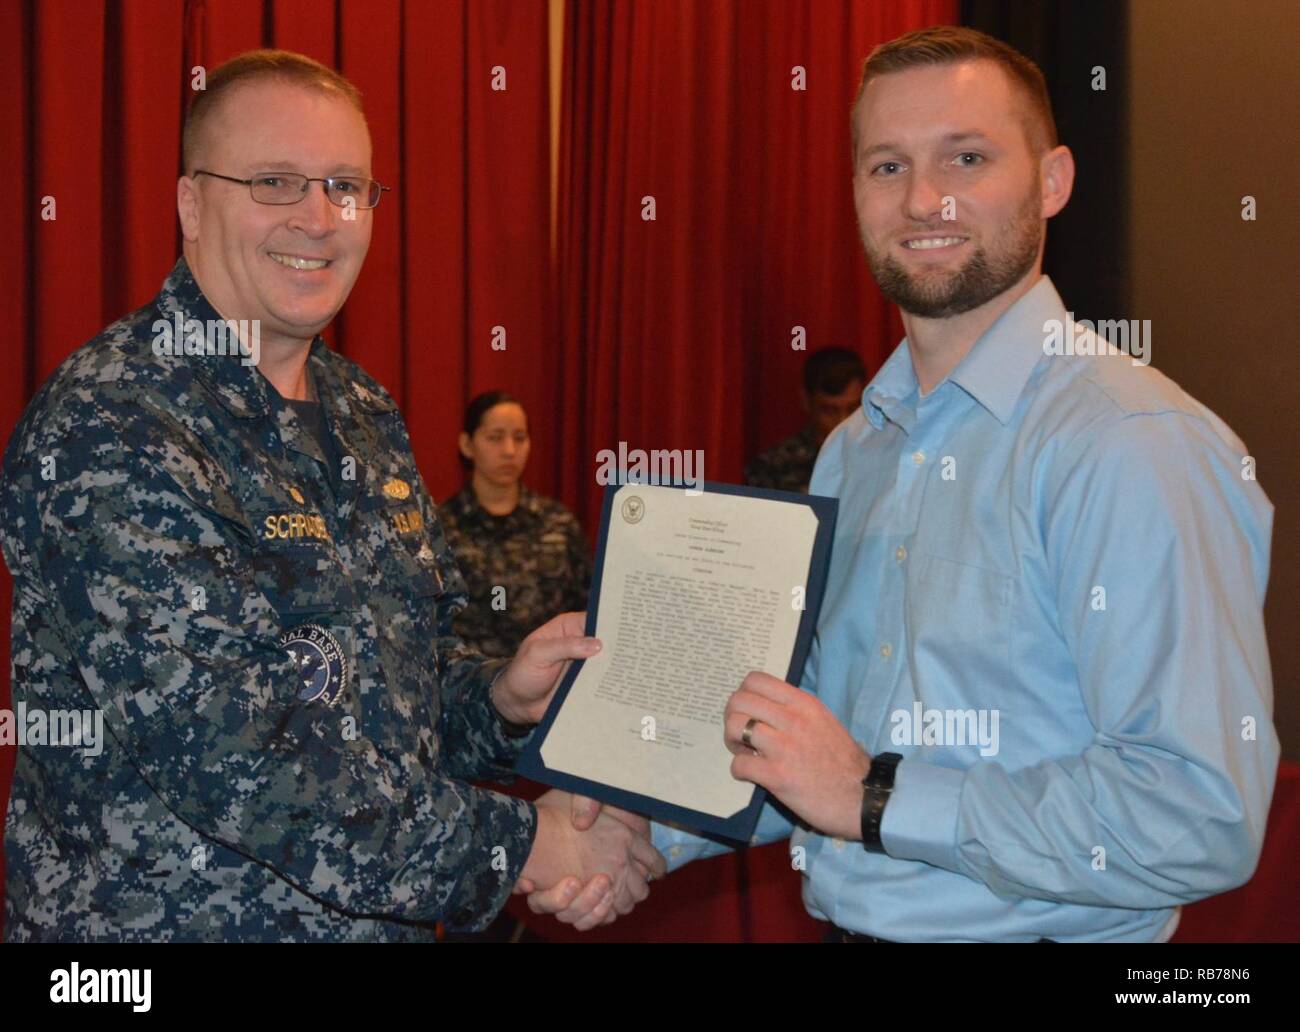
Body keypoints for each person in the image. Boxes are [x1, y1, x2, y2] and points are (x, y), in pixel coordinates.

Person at [527, 26, 1277, 941]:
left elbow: (1200, 817)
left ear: (1053, 180)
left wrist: (875, 795)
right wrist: (644, 827)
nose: (924, 198)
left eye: (966, 156)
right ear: (854, 192)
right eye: (887, 167)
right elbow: (821, 759)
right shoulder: (858, 449)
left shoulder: (1131, 444)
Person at [0, 49, 662, 942]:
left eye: (347, 186)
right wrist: (528, 846)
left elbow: (388, 707)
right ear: (191, 203)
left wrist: (498, 701)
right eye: (275, 181)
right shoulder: (113, 420)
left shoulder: (363, 413)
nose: (318, 218)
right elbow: (246, 760)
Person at [440, 392, 592, 660]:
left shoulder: (558, 523)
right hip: (467, 688)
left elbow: (589, 608)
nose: (509, 450)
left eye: (519, 438)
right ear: (467, 444)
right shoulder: (440, 527)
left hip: (550, 681)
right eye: (495, 438)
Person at [744, 347, 867, 493]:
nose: (843, 421)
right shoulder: (774, 467)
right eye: (829, 410)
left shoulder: (881, 459)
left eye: (853, 409)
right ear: (806, 401)